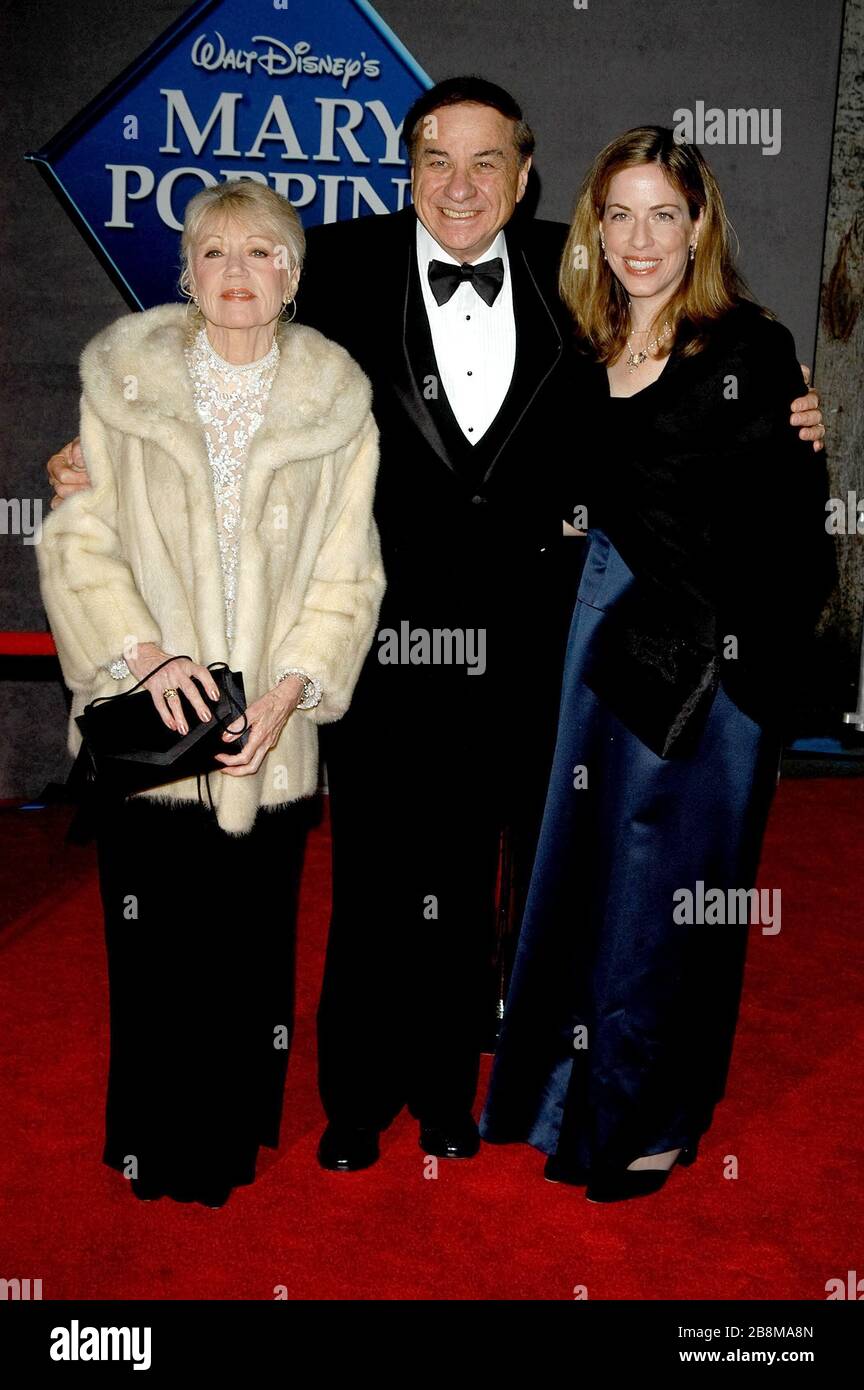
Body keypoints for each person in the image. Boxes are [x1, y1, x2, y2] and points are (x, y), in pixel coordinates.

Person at [46, 79, 825, 1175]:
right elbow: (223, 333)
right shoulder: (338, 264)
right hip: (376, 631)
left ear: (525, 175)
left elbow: (693, 354)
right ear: (406, 166)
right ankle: (357, 1096)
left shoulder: (581, 272)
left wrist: (795, 401)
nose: (460, 186)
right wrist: (99, 457)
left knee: (486, 877)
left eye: (486, 162)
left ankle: (454, 1090)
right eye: (436, 160)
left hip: (541, 642)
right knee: (371, 876)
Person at [479, 127, 836, 1203]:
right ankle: (560, 1096)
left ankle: (649, 1115)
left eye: (664, 215)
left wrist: (734, 681)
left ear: (700, 226)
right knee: (583, 881)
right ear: (594, 223)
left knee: (670, 898)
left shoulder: (747, 349)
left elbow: (795, 537)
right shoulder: (578, 340)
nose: (641, 239)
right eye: (620, 214)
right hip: (596, 658)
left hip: (702, 673)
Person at [37, 180, 384, 1207]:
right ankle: (151, 1137)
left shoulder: (337, 398)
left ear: (294, 276)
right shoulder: (125, 381)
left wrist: (287, 696)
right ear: (186, 272)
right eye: (217, 255)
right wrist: (143, 657)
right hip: (152, 717)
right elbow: (77, 540)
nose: (239, 274)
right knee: (151, 944)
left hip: (266, 733)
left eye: (263, 254)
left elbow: (347, 573)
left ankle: (227, 1135)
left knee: (248, 947)